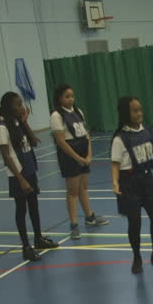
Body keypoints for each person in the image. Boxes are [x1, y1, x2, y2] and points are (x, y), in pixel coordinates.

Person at [110, 96, 153, 274]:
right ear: (126, 113)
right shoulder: (120, 138)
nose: (139, 113)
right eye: (135, 110)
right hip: (129, 184)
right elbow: (115, 164)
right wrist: (115, 182)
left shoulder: (147, 132)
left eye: (140, 109)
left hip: (148, 182)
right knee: (135, 223)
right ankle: (137, 257)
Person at [0, 91, 58, 261]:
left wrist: (25, 123)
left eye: (21, 103)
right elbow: (6, 157)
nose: (21, 107)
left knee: (34, 205)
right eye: (17, 104)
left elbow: (34, 142)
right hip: (18, 175)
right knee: (21, 209)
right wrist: (20, 179)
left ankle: (38, 239)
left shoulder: (17, 123)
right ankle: (26, 247)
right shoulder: (2, 128)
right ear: (8, 106)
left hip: (29, 170)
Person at [50, 84, 109, 240]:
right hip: (70, 155)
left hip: (83, 152)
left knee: (83, 187)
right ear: (59, 98)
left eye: (72, 96)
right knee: (72, 192)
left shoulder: (78, 112)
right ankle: (74, 225)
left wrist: (89, 154)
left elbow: (86, 134)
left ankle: (90, 217)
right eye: (66, 96)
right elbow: (61, 142)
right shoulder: (56, 115)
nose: (70, 99)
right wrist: (77, 158)